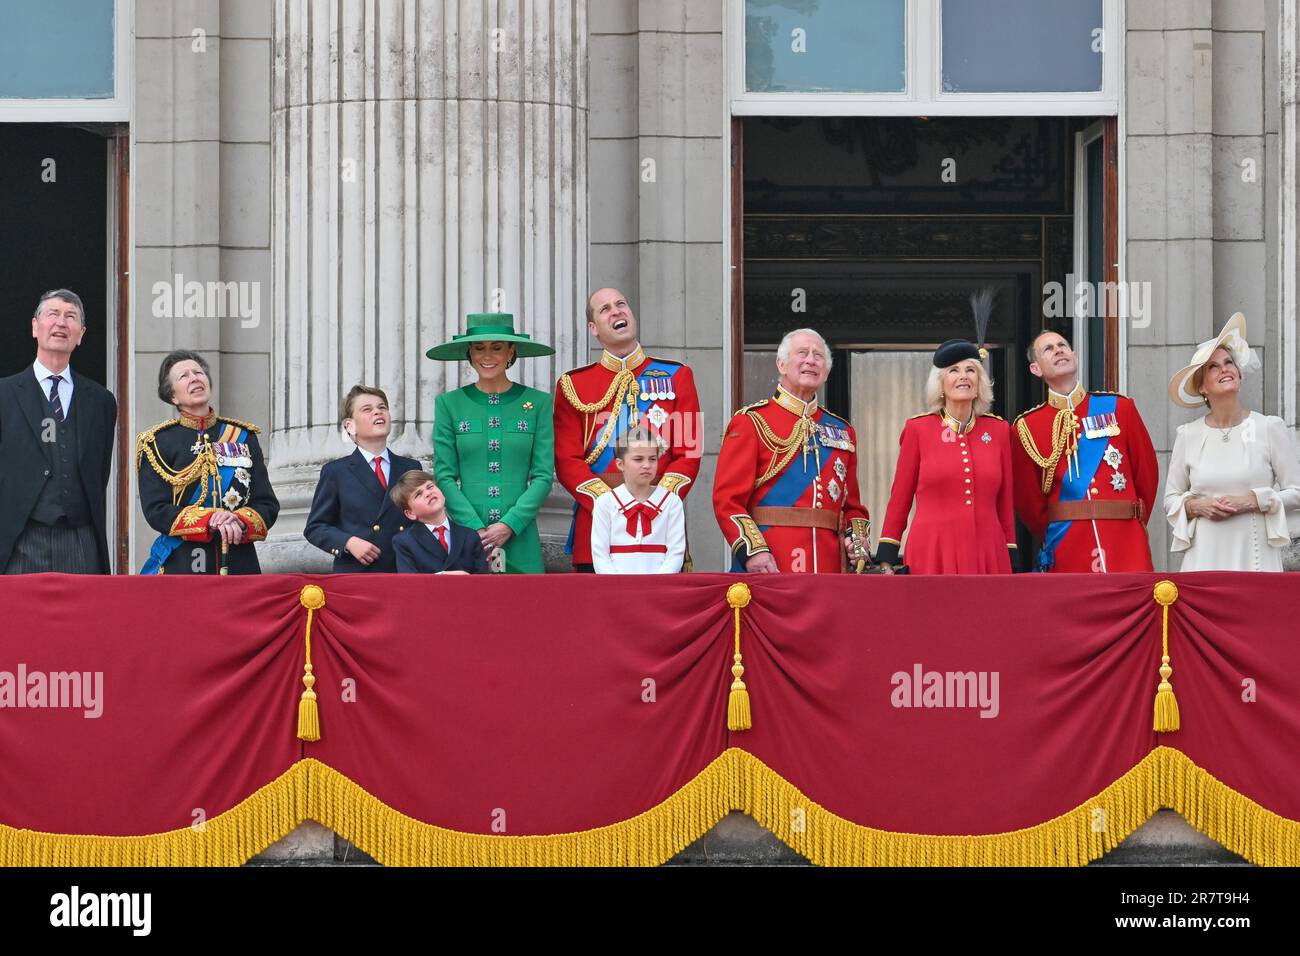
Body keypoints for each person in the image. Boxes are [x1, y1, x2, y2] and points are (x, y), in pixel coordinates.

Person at [554, 288, 702, 571]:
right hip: (598, 522)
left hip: (661, 526)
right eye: (605, 309)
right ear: (593, 328)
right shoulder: (573, 385)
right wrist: (611, 505)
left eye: (621, 304)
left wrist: (657, 503)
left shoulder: (678, 376)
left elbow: (690, 453)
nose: (617, 311)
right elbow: (566, 461)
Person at [713, 328, 872, 574]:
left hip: (828, 567)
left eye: (818, 356)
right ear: (781, 364)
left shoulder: (842, 430)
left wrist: (857, 542)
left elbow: (853, 507)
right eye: (802, 353)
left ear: (827, 371)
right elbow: (728, 501)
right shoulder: (751, 422)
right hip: (770, 564)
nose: (811, 360)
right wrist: (753, 551)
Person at [1011, 331, 1158, 573]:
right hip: (1068, 542)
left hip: (1125, 538)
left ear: (1075, 357)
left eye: (1062, 345)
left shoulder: (1119, 407)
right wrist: (1059, 526)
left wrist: (1129, 519)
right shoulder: (1026, 427)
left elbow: (1146, 475)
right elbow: (1029, 502)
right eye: (1048, 349)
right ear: (1035, 369)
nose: (1058, 350)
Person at [1164, 313, 1300, 571]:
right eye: (1213, 366)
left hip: (1256, 557)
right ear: (1202, 386)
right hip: (1203, 559)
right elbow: (1170, 499)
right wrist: (1196, 505)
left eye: (1229, 362)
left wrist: (1252, 500)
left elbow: (1296, 492)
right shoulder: (1188, 435)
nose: (1224, 368)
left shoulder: (1268, 427)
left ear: (1239, 374)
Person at [0, 289, 118, 574]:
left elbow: (99, 472)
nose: (61, 323)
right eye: (52, 314)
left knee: (87, 618)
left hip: (80, 539)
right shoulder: (4, 393)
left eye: (71, 317)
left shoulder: (101, 400)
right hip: (19, 539)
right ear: (34, 326)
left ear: (81, 334)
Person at [426, 314, 555, 573]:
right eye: (479, 348)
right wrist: (475, 528)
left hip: (521, 534)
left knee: (527, 609)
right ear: (469, 354)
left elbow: (543, 475)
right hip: (468, 535)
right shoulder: (449, 404)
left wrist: (511, 523)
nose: (487, 356)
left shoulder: (538, 403)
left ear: (511, 352)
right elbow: (445, 475)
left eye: (497, 348)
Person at [875, 340, 1017, 575]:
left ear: (979, 382)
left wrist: (1011, 556)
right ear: (940, 383)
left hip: (988, 551)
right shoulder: (917, 429)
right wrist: (887, 556)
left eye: (970, 370)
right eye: (954, 370)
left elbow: (1005, 503)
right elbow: (900, 498)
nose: (964, 376)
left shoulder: (999, 431)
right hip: (932, 550)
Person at [136, 350, 279, 574]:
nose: (194, 378)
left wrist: (238, 520)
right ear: (172, 396)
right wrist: (210, 519)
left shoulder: (243, 436)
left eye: (199, 373)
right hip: (183, 562)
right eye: (184, 376)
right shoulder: (157, 443)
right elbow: (156, 510)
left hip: (239, 561)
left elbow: (267, 504)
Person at [304, 385, 423, 572]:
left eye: (382, 407)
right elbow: (316, 527)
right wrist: (348, 542)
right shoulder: (336, 472)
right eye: (367, 409)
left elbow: (423, 521)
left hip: (404, 570)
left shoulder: (410, 467)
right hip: (358, 572)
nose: (377, 412)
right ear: (350, 426)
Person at [591, 427, 686, 574]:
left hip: (660, 589)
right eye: (638, 459)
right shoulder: (605, 503)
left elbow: (676, 553)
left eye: (652, 459)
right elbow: (600, 555)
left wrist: (658, 584)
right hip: (617, 590)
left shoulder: (672, 502)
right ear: (620, 464)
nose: (647, 465)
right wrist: (618, 586)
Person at [389, 470, 490, 574]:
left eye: (430, 487)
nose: (428, 493)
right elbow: (409, 583)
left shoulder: (470, 535)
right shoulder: (405, 542)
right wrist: (443, 576)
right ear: (410, 513)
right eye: (418, 494)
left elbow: (483, 579)